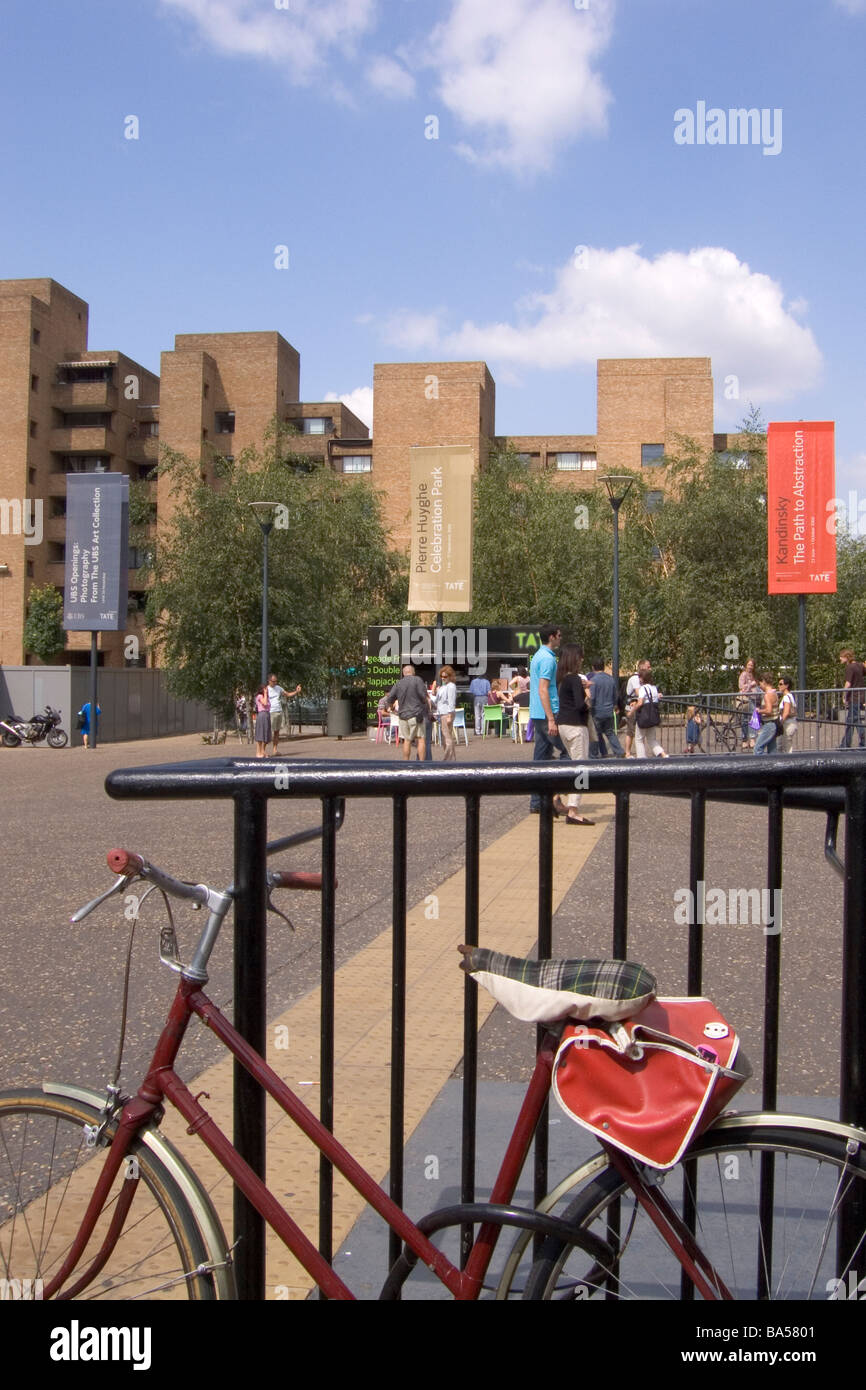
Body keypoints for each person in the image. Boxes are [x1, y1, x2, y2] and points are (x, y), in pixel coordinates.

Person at [529, 623, 567, 813]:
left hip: (537, 712)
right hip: (547, 713)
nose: (561, 637)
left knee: (541, 758)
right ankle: (554, 793)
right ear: (552, 637)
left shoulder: (538, 656)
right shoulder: (548, 660)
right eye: (559, 635)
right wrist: (551, 718)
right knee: (568, 751)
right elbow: (543, 688)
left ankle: (537, 802)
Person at [555, 643, 595, 824]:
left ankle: (555, 796)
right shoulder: (574, 679)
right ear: (574, 658)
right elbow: (580, 705)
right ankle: (573, 811)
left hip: (563, 725)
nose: (582, 659)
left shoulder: (563, 679)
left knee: (574, 766)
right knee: (582, 769)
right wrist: (589, 698)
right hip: (576, 726)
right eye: (580, 656)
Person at [383, 664, 431, 761]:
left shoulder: (398, 683)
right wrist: (426, 706)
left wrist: (391, 708)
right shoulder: (417, 680)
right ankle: (421, 764)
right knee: (421, 739)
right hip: (417, 714)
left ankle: (406, 763)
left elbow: (390, 698)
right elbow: (423, 696)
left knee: (407, 740)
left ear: (403, 673)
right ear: (413, 672)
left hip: (403, 716)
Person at [587, 659, 624, 757]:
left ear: (593, 667)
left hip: (597, 711)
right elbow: (615, 695)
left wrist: (589, 707)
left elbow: (592, 697)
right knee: (610, 732)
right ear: (603, 667)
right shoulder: (610, 679)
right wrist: (615, 706)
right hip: (608, 710)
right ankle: (619, 751)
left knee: (595, 734)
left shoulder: (593, 680)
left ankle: (595, 754)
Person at [634, 668, 668, 758]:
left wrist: (632, 710)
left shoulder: (642, 689)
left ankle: (642, 760)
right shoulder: (654, 688)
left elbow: (640, 702)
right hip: (652, 717)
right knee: (651, 739)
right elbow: (655, 698)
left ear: (641, 678)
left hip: (643, 717)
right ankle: (663, 755)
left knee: (639, 740)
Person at [267, 673, 302, 755]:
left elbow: (287, 694)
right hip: (270, 712)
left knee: (276, 732)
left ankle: (275, 750)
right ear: (269, 681)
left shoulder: (278, 688)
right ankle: (263, 751)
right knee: (268, 732)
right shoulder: (266, 689)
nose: (275, 683)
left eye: (276, 681)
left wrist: (296, 691)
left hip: (278, 711)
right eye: (273, 681)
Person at [839, 648, 866, 749]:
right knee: (852, 720)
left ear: (846, 657)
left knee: (854, 720)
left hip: (853, 697)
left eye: (841, 657)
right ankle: (845, 744)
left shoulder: (850, 667)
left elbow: (848, 683)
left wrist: (843, 695)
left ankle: (861, 743)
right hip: (860, 696)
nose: (840, 659)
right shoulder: (859, 665)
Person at [624, 661, 650, 757]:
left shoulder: (642, 679)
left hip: (638, 705)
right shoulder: (635, 679)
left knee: (640, 730)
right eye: (648, 666)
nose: (650, 669)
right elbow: (639, 693)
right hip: (631, 706)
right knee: (631, 730)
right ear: (642, 667)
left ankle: (640, 753)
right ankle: (627, 752)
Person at [434, 665, 458, 761]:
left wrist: (449, 715)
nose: (443, 678)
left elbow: (451, 702)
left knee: (447, 738)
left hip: (446, 713)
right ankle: (452, 759)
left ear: (450, 676)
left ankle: (447, 759)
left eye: (445, 676)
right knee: (445, 737)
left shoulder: (451, 686)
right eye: (442, 676)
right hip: (441, 713)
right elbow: (436, 700)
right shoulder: (443, 687)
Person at [753, 673, 780, 755]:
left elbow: (768, 710)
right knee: (772, 751)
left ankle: (760, 766)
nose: (760, 686)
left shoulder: (767, 695)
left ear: (764, 682)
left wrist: (759, 711)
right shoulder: (774, 693)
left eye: (760, 684)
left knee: (757, 749)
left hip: (769, 725)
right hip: (774, 723)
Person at [738, 658, 761, 750]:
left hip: (754, 699)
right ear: (746, 665)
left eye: (752, 665)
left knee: (754, 718)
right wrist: (751, 684)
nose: (750, 667)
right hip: (746, 699)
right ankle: (744, 740)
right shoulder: (743, 675)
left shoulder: (754, 675)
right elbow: (741, 688)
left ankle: (752, 739)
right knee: (745, 719)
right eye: (749, 665)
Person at [777, 676, 798, 753]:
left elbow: (786, 712)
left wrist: (780, 723)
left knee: (785, 746)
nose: (778, 686)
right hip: (791, 723)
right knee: (783, 745)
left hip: (787, 724)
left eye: (780, 684)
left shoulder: (786, 697)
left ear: (786, 685)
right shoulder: (790, 696)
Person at [253, 684, 271, 759]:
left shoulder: (266, 697)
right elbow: (265, 703)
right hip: (262, 715)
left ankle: (263, 751)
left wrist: (266, 695)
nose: (266, 690)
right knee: (260, 733)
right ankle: (258, 752)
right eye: (265, 689)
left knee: (265, 733)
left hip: (266, 715)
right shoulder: (260, 696)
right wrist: (265, 694)